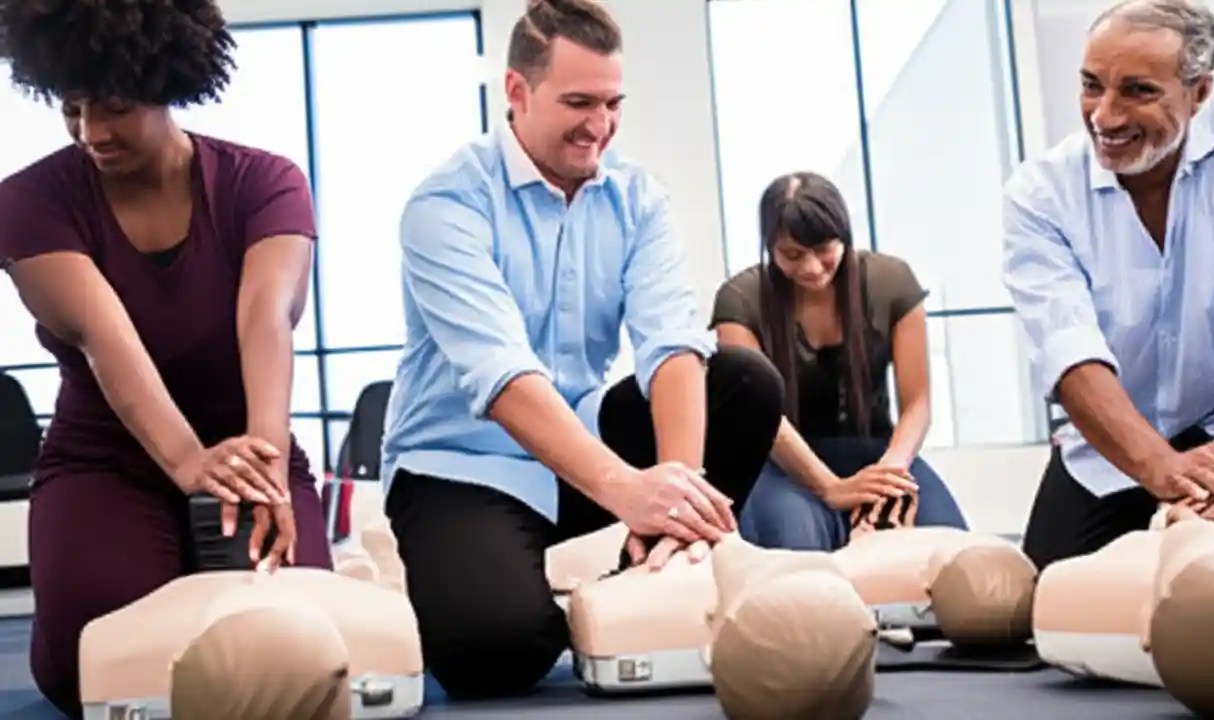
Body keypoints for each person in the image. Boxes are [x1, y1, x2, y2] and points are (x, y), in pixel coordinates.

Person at [380, 0, 784, 700]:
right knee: (492, 652)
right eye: (577, 102)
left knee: (743, 381)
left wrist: (674, 492)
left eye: (611, 102)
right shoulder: (445, 206)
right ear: (517, 91)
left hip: (584, 443)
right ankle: (542, 603)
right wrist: (629, 491)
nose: (599, 125)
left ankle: (651, 573)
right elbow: (502, 376)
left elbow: (671, 347)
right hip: (462, 466)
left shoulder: (638, 200)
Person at [0, 2, 332, 715]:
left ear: (166, 82)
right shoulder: (27, 202)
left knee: (294, 652)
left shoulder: (265, 182)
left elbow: (266, 317)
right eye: (72, 109)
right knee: (94, 667)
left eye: (113, 108)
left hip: (250, 448)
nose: (92, 132)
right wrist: (189, 466)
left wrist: (266, 460)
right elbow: (102, 336)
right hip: (105, 459)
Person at [1002, 0, 1214, 572]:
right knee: (1041, 604)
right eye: (1091, 85)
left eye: (1137, 91)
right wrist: (1163, 468)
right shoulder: (1040, 195)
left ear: (1199, 92)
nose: (1105, 115)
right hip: (1111, 439)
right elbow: (1069, 349)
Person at [711, 172, 967, 552]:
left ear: (844, 236)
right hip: (783, 463)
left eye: (824, 249)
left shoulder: (891, 282)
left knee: (953, 553)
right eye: (792, 255)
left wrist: (890, 476)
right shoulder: (741, 301)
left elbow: (918, 402)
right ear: (770, 248)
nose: (812, 267)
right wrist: (830, 487)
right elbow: (765, 421)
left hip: (878, 454)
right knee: (796, 549)